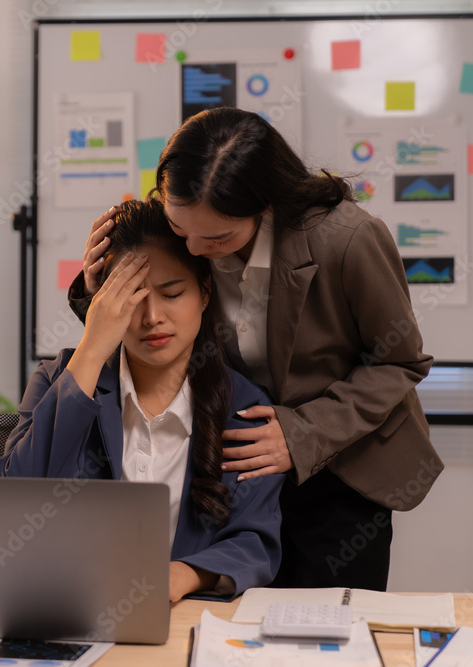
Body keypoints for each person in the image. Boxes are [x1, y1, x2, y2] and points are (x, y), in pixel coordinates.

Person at [69, 107, 442, 590]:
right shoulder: (189, 219)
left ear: (266, 204)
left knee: (322, 629)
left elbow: (399, 361)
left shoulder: (346, 241)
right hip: (229, 471)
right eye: (182, 231)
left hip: (337, 468)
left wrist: (301, 434)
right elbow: (160, 328)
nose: (196, 250)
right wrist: (97, 290)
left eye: (218, 237)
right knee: (223, 622)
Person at [0, 199, 282, 603]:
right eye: (131, 299)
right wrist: (93, 348)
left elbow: (256, 541)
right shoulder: (59, 380)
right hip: (67, 613)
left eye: (171, 293)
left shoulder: (245, 408)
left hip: (187, 622)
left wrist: (183, 575)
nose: (151, 317)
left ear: (204, 294)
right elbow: (19, 497)